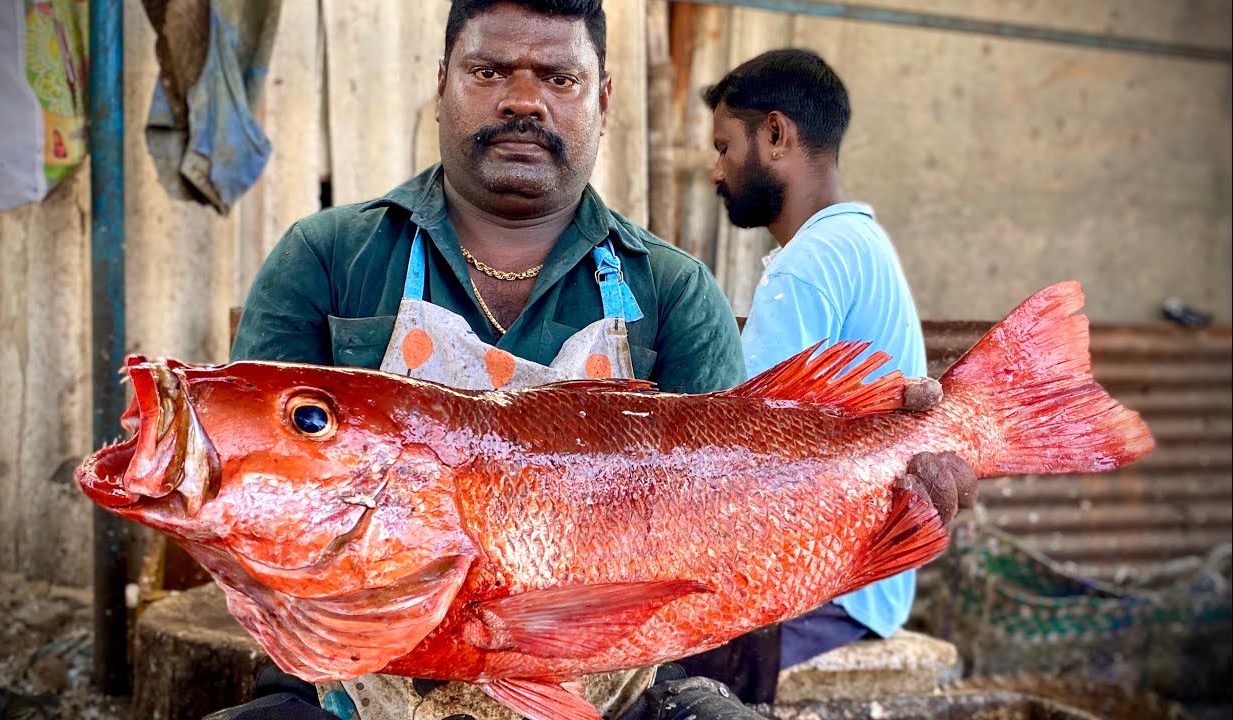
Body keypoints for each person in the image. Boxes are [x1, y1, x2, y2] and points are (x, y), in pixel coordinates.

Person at [208, 4, 974, 716]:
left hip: (625, 690)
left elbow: (745, 507)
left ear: (602, 98)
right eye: (489, 72)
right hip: (347, 687)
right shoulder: (332, 256)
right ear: (441, 85)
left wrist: (882, 488)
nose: (521, 101)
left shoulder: (672, 290)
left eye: (558, 78)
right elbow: (250, 495)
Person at [680, 46, 978, 704]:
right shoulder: (859, 243)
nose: (715, 171)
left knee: (659, 673)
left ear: (777, 135)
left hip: (831, 590)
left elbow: (749, 447)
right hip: (872, 589)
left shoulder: (809, 262)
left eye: (725, 147)